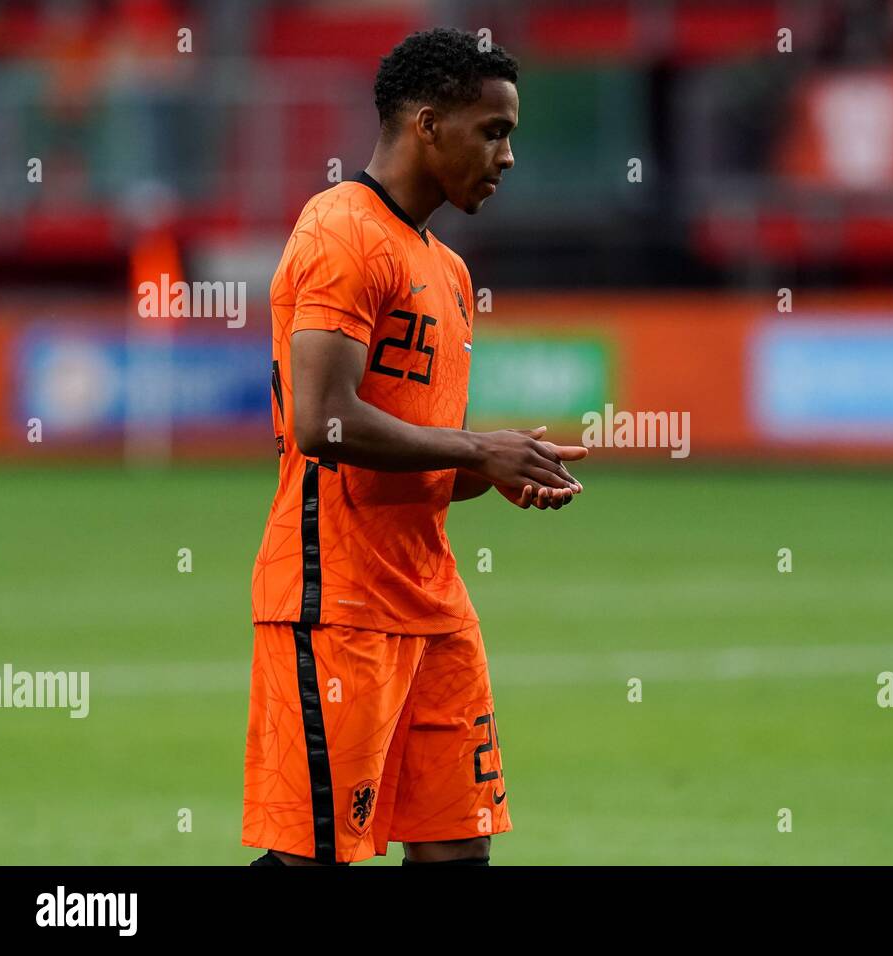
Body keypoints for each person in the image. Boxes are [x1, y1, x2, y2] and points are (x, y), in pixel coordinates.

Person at [243, 27, 585, 866]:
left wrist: (488, 470)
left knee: (456, 853)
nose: (506, 157)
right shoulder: (339, 230)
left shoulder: (450, 271)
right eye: (492, 131)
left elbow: (419, 457)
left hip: (432, 602)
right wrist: (475, 447)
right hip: (337, 601)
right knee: (313, 858)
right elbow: (327, 421)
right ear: (428, 124)